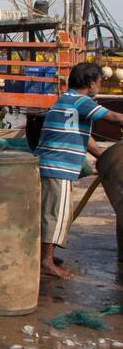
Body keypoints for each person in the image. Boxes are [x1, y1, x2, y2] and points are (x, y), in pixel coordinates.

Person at [34, 61, 123, 278]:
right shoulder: (81, 101)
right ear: (91, 83)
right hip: (59, 167)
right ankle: (46, 261)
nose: (100, 85)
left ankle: (43, 256)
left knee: (48, 212)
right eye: (99, 81)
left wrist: (105, 158)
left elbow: (86, 138)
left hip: (48, 164)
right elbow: (115, 117)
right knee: (58, 214)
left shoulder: (66, 100)